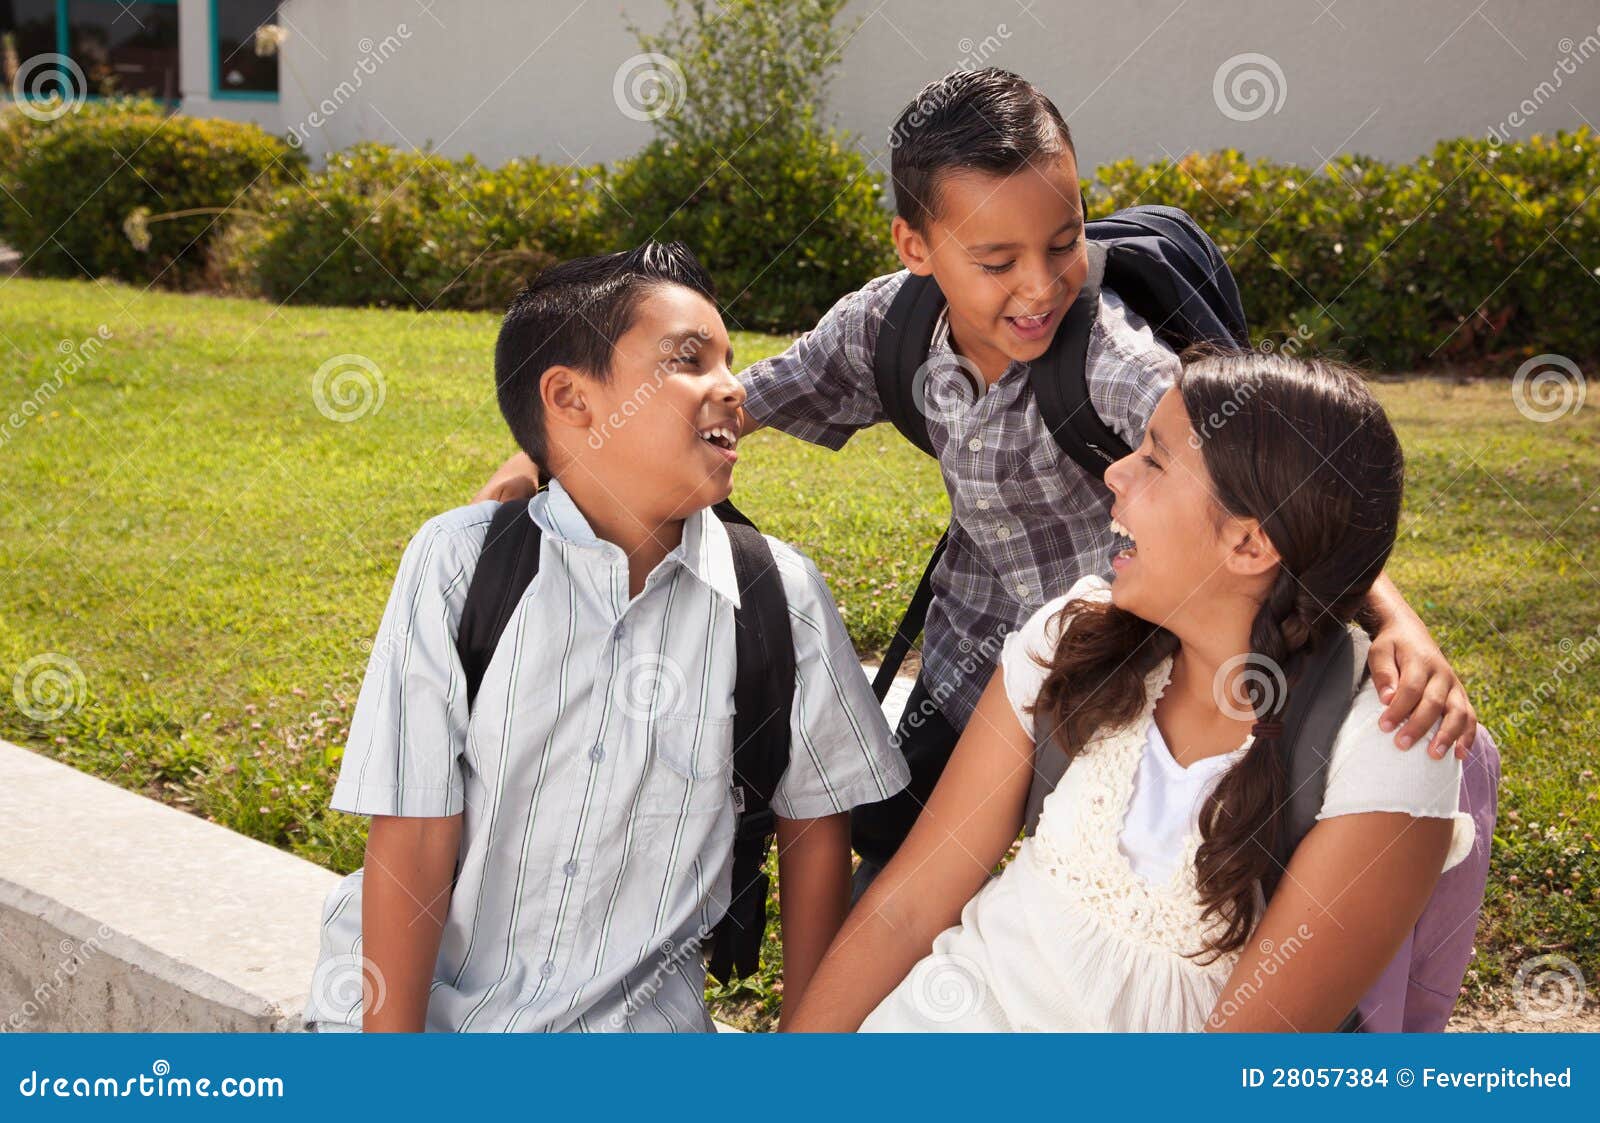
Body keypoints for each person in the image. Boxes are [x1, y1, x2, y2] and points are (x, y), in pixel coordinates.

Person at [474, 70, 1478, 890]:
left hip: (1110, 672)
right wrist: (555, 453)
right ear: (916, 250)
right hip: (968, 659)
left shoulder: (1114, 364)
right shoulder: (888, 326)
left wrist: (1394, 622)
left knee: (1103, 887)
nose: (1039, 286)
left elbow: (1270, 488)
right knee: (897, 865)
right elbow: (757, 394)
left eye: (1062, 241)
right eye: (995, 260)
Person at [303, 242, 908, 1032]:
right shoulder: (459, 565)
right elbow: (413, 834)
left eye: (729, 359)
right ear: (571, 399)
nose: (732, 386)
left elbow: (815, 835)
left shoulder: (777, 596)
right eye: (690, 359)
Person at [784, 351, 1475, 1032]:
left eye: (1152, 459)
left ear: (1248, 543)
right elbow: (906, 907)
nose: (1113, 473)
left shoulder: (1388, 745)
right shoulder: (1069, 639)